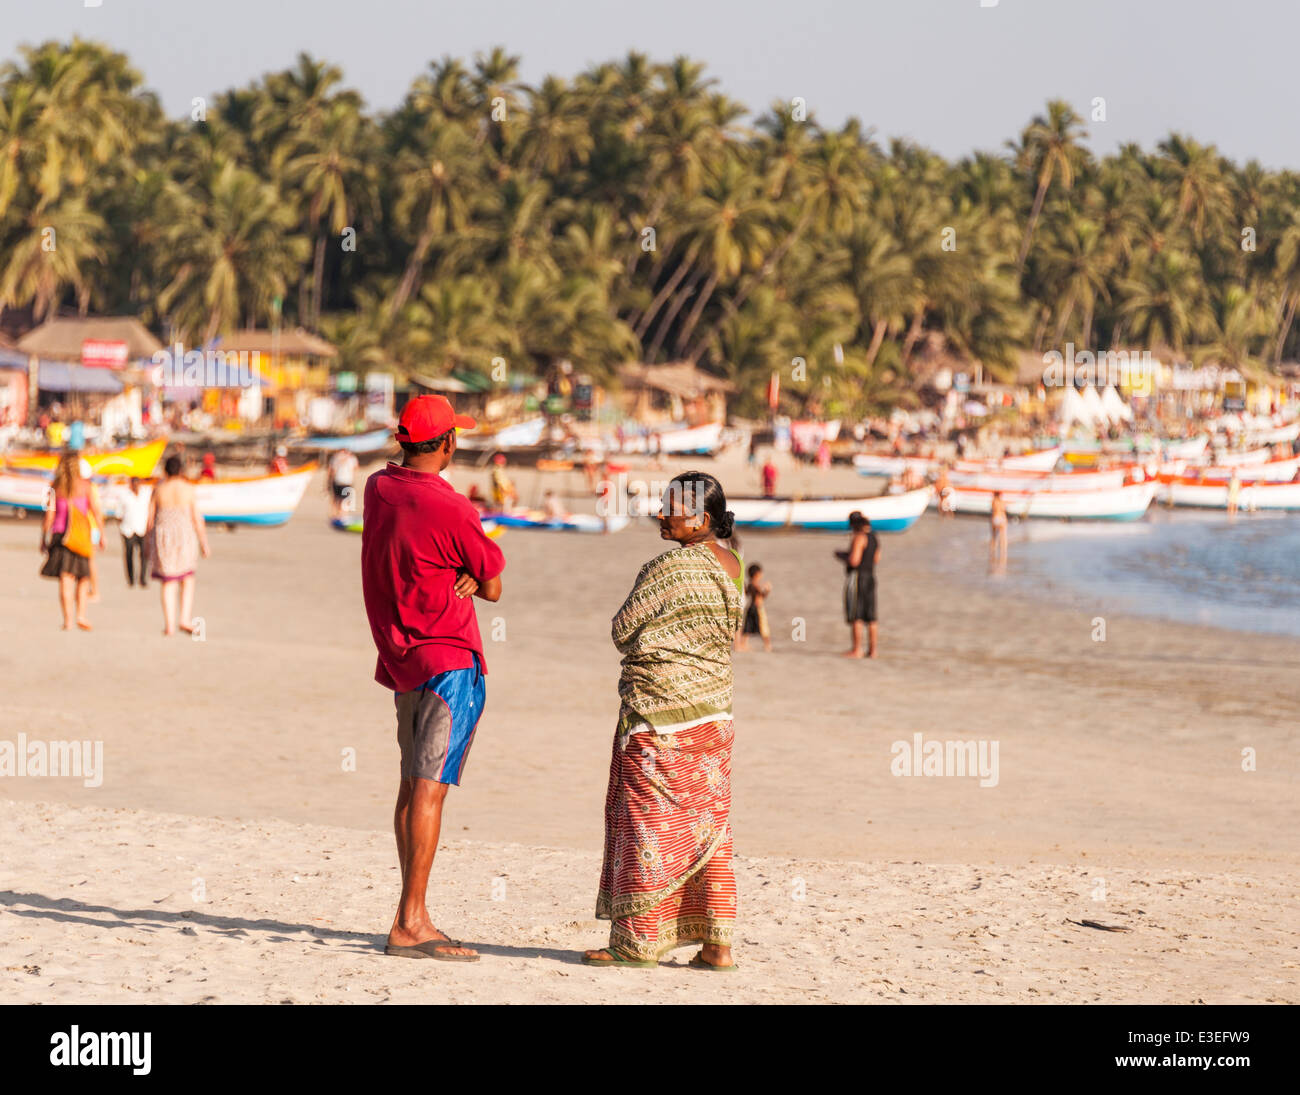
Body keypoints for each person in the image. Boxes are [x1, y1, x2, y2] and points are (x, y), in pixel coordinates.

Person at [361, 395, 505, 963]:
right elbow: (493, 584)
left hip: (401, 658)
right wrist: (470, 570)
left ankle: (410, 912)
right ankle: (411, 920)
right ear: (447, 443)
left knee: (410, 782)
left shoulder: (378, 488)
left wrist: (460, 567)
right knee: (431, 788)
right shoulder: (451, 505)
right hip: (448, 658)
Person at [585, 471, 743, 970]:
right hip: (715, 716)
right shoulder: (733, 564)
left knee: (647, 827)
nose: (660, 514)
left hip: (659, 718)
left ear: (700, 517)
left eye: (670, 507)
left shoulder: (667, 568)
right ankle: (716, 944)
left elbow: (622, 628)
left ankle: (634, 944)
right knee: (710, 828)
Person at [39, 452, 103, 630]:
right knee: (82, 577)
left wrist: (43, 539)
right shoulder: (85, 486)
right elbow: (96, 512)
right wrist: (102, 534)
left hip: (60, 537)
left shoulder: (55, 488)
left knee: (65, 579)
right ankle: (81, 614)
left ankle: (67, 620)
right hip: (81, 535)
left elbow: (49, 517)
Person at [148, 454, 210, 635]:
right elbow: (197, 519)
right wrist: (204, 542)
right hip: (184, 535)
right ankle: (184, 618)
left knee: (168, 581)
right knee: (187, 578)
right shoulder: (188, 489)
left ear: (165, 470)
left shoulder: (158, 489)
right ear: (181, 470)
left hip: (164, 536)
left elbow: (150, 520)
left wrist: (146, 545)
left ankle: (169, 625)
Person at [839, 512, 881, 658]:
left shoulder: (859, 537)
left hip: (857, 577)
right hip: (871, 577)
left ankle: (857, 649)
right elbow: (876, 559)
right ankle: (873, 650)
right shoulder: (874, 537)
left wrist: (842, 556)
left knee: (857, 614)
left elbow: (854, 561)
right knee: (871, 616)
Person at [118, 476, 150, 588]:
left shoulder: (146, 495)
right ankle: (131, 579)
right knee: (129, 555)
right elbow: (119, 514)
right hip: (128, 530)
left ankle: (143, 578)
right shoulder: (124, 496)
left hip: (143, 529)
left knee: (144, 555)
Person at [736, 563, 772, 652]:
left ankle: (743, 644)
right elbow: (761, 596)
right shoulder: (755, 585)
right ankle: (767, 645)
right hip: (757, 608)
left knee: (748, 627)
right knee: (763, 627)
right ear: (757, 574)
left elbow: (747, 593)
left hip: (750, 607)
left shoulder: (750, 584)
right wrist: (767, 589)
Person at [328, 448, 360, 517]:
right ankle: (343, 514)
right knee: (345, 499)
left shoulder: (335, 457)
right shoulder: (352, 458)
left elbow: (332, 470)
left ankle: (335, 513)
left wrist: (330, 480)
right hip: (347, 481)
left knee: (337, 498)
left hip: (337, 480)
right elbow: (356, 468)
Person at [989, 491, 1008, 573]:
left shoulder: (993, 501)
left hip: (995, 518)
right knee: (1003, 536)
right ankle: (1003, 552)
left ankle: (993, 550)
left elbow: (993, 510)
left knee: (993, 536)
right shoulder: (1003, 502)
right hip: (1002, 518)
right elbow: (1004, 510)